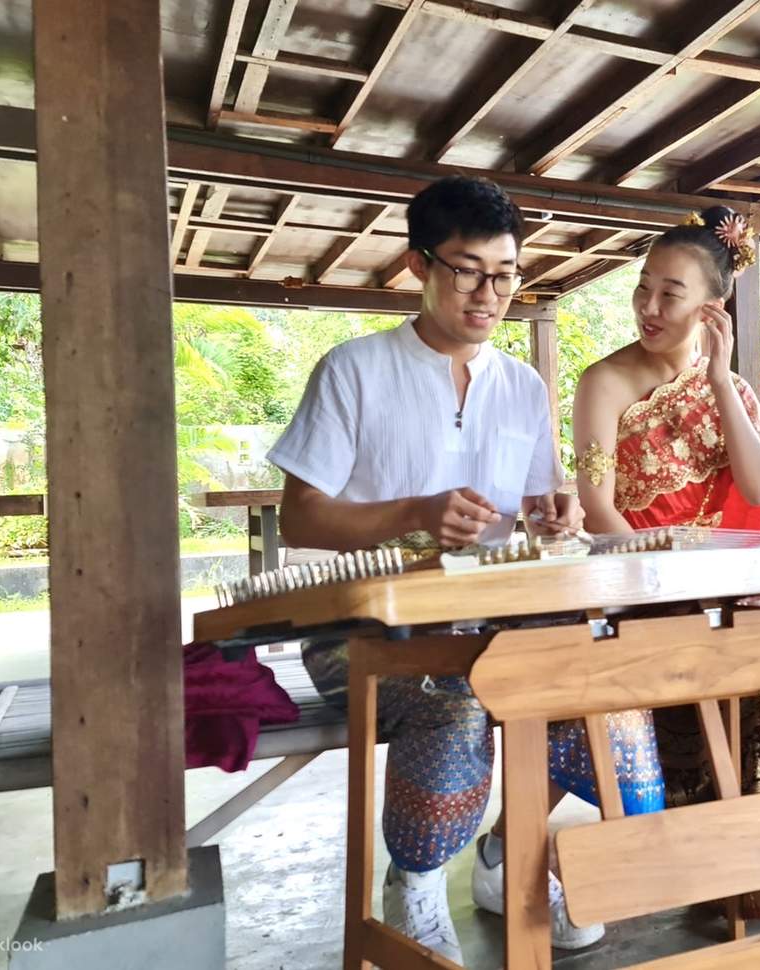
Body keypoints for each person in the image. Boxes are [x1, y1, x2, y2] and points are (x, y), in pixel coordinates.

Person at [267, 176, 664, 964]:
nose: (489, 293)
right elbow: (300, 516)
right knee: (454, 697)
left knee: (591, 675)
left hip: (489, 615)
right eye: (467, 270)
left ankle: (511, 851)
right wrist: (413, 512)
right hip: (361, 625)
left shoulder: (520, 387)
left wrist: (558, 518)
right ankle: (413, 881)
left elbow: (538, 508)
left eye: (507, 273)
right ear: (419, 266)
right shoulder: (352, 372)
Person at [571, 205, 760, 912]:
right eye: (643, 287)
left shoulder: (729, 389)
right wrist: (664, 584)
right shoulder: (603, 383)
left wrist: (718, 380)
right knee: (721, 672)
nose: (647, 306)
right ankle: (727, 884)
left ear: (710, 308)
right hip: (642, 595)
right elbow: (595, 507)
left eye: (668, 293)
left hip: (732, 594)